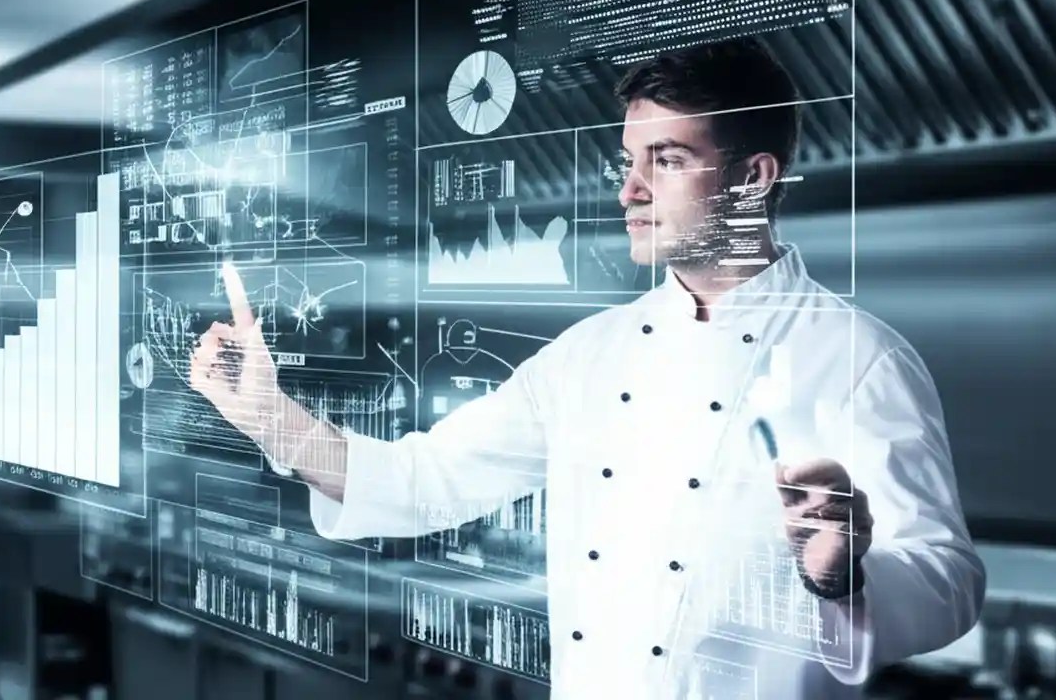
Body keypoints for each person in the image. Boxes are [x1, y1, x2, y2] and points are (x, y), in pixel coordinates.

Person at [188, 38, 985, 699]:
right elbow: (422, 482)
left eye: (666, 160)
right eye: (626, 161)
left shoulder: (856, 358)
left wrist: (845, 576)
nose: (630, 190)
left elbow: (949, 581)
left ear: (754, 177)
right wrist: (269, 417)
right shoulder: (589, 356)